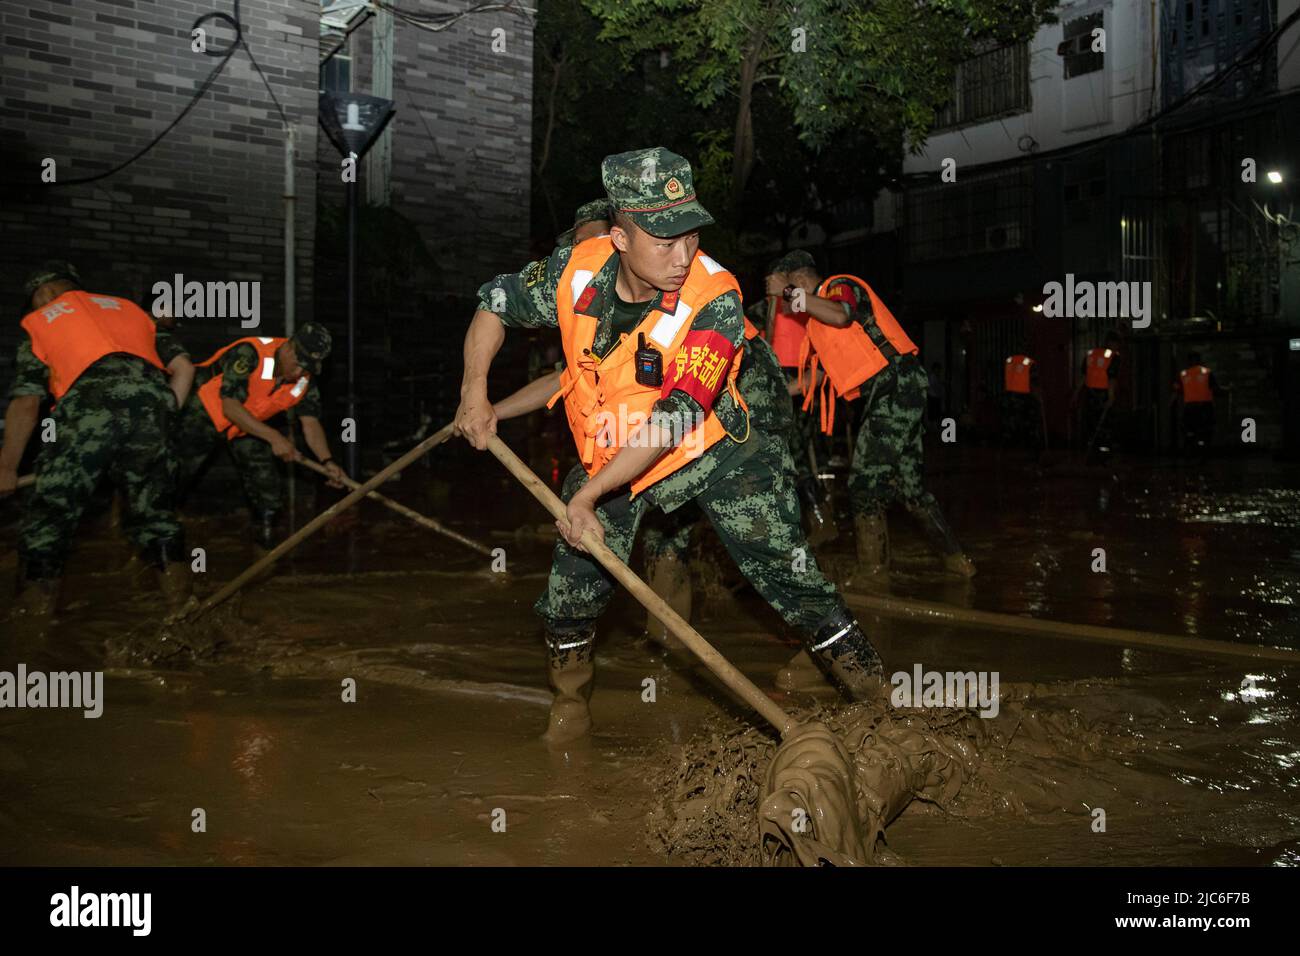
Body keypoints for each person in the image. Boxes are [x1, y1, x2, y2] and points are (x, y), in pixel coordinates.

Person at [454, 147, 885, 745]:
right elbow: (491, 306)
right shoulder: (573, 270)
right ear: (619, 237)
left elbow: (676, 419)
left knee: (790, 576)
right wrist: (476, 392)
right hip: (611, 451)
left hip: (710, 450)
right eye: (663, 240)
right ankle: (570, 708)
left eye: (691, 235)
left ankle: (883, 708)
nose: (683, 256)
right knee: (569, 593)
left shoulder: (717, 300)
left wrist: (590, 496)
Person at [0, 261, 189, 615]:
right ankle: (184, 612)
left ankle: (29, 631)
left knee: (48, 521)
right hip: (155, 406)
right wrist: (162, 415)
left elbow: (27, 401)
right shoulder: (130, 310)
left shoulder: (41, 320)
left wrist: (6, 467)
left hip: (90, 406)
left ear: (44, 293)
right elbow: (180, 366)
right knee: (156, 516)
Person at [773, 251, 976, 578]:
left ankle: (874, 577)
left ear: (797, 279)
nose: (784, 306)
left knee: (864, 485)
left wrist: (785, 292)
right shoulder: (817, 319)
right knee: (911, 490)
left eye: (785, 290)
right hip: (891, 391)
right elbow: (819, 375)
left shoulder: (837, 287)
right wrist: (774, 390)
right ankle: (959, 564)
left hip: (896, 384)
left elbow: (842, 315)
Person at [171, 324, 344, 547]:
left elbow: (310, 422)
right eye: (299, 364)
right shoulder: (250, 353)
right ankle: (155, 541)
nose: (300, 373)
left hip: (247, 426)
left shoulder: (304, 380)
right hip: (202, 416)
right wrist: (274, 437)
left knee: (266, 482)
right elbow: (231, 407)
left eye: (308, 368)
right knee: (174, 476)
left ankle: (265, 545)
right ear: (289, 348)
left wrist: (326, 460)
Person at [1076, 330, 1122, 463]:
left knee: (1090, 424)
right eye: (1117, 344)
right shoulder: (1114, 357)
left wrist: (1076, 394)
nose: (1118, 347)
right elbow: (1111, 378)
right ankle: (1103, 458)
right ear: (1111, 343)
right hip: (1103, 395)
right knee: (1104, 427)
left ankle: (1089, 454)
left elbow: (1083, 377)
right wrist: (1111, 396)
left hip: (1089, 394)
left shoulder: (1091, 354)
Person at [1170, 351, 1223, 455]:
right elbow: (1216, 388)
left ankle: (1191, 444)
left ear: (1189, 361)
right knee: (1207, 428)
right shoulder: (1207, 372)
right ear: (1199, 361)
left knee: (1188, 428)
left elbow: (1176, 390)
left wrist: (1171, 403)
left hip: (1190, 406)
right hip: (1205, 405)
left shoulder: (1183, 374)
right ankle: (1203, 447)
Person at [1001, 349, 1043, 451]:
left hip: (1010, 398)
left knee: (1012, 424)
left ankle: (1007, 448)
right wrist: (1039, 397)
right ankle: (1033, 450)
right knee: (1030, 425)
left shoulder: (1010, 361)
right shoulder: (1029, 363)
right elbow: (1033, 383)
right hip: (1024, 398)